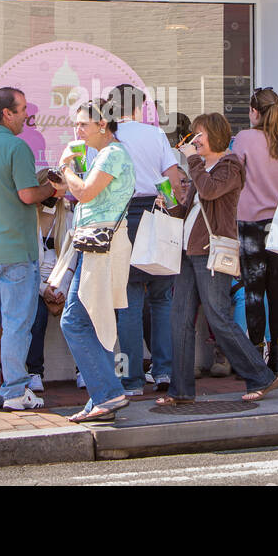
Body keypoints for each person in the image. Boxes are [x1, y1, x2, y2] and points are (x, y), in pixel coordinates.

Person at [159, 113, 278, 408]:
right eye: (193, 135)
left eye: (199, 134)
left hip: (212, 250)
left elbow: (211, 191)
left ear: (214, 135)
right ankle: (181, 389)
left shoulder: (230, 166)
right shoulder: (203, 168)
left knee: (217, 316)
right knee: (180, 319)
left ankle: (260, 375)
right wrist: (170, 206)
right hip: (190, 250)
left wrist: (193, 162)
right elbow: (192, 211)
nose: (194, 140)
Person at [0, 87, 60, 411]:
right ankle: (16, 391)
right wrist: (54, 188)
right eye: (22, 111)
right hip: (15, 250)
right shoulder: (17, 148)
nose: (26, 118)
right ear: (7, 113)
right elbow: (28, 195)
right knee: (17, 323)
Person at [52, 99, 135, 422]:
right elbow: (87, 194)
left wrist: (67, 169)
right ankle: (103, 394)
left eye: (83, 124)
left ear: (103, 125)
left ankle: (108, 393)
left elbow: (85, 193)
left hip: (102, 248)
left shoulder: (113, 154)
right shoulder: (105, 155)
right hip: (96, 246)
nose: (77, 130)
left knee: (76, 320)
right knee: (89, 320)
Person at [108, 83, 186, 395]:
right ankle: (164, 371)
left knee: (126, 302)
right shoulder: (154, 135)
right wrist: (173, 205)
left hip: (122, 218)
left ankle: (130, 379)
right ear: (139, 106)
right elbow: (174, 179)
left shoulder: (108, 137)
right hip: (157, 213)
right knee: (162, 298)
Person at [233, 86, 278, 373]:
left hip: (251, 224)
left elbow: (233, 178)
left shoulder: (245, 138)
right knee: (277, 290)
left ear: (255, 112)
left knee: (254, 292)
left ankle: (256, 356)